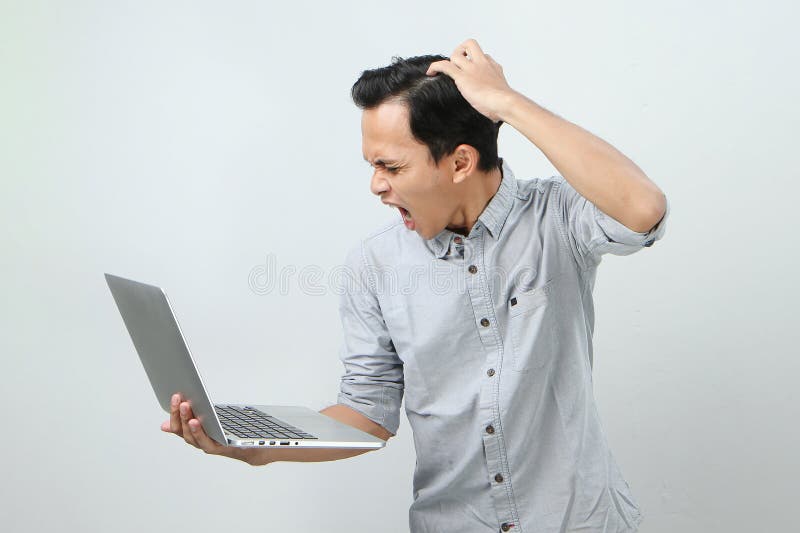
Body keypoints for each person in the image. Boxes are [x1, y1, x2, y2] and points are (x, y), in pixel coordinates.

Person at [163, 39, 669, 533]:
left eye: (392, 166)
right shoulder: (374, 264)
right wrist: (250, 444)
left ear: (460, 162)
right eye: (372, 166)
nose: (376, 185)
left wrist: (505, 103)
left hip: (579, 521)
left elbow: (643, 210)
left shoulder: (556, 218)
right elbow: (366, 413)